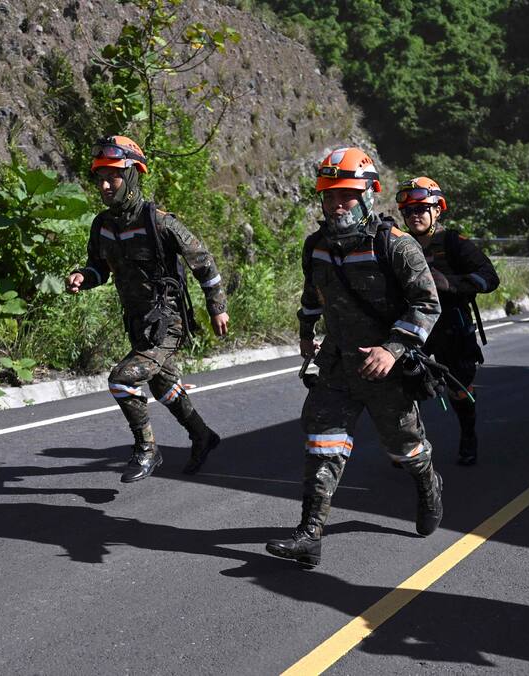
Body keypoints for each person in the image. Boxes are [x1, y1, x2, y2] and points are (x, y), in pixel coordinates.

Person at [265, 147, 443, 567]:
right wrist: (307, 332)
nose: (336, 204)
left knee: (406, 449)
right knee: (323, 443)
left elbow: (427, 304)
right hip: (337, 365)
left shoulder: (396, 246)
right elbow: (314, 296)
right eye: (328, 195)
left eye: (345, 194)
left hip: (387, 372)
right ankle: (310, 535)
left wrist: (393, 348)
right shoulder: (317, 246)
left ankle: (428, 483)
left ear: (369, 193)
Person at [66, 135, 230, 482]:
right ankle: (202, 435)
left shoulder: (159, 222)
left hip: (167, 321)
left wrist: (217, 307)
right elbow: (99, 268)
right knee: (162, 385)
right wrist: (83, 276)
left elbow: (203, 262)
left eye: (114, 177)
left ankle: (147, 449)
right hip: (137, 322)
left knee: (122, 380)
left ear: (132, 176)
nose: (106, 185)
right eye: (101, 178)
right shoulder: (103, 226)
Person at [396, 177, 500, 465]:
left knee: (460, 388)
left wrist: (450, 283)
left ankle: (468, 435)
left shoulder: (455, 243)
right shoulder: (397, 244)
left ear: (437, 210)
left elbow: (489, 278)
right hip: (413, 326)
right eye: (408, 211)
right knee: (400, 386)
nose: (414, 215)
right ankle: (409, 444)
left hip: (452, 328)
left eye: (421, 208)